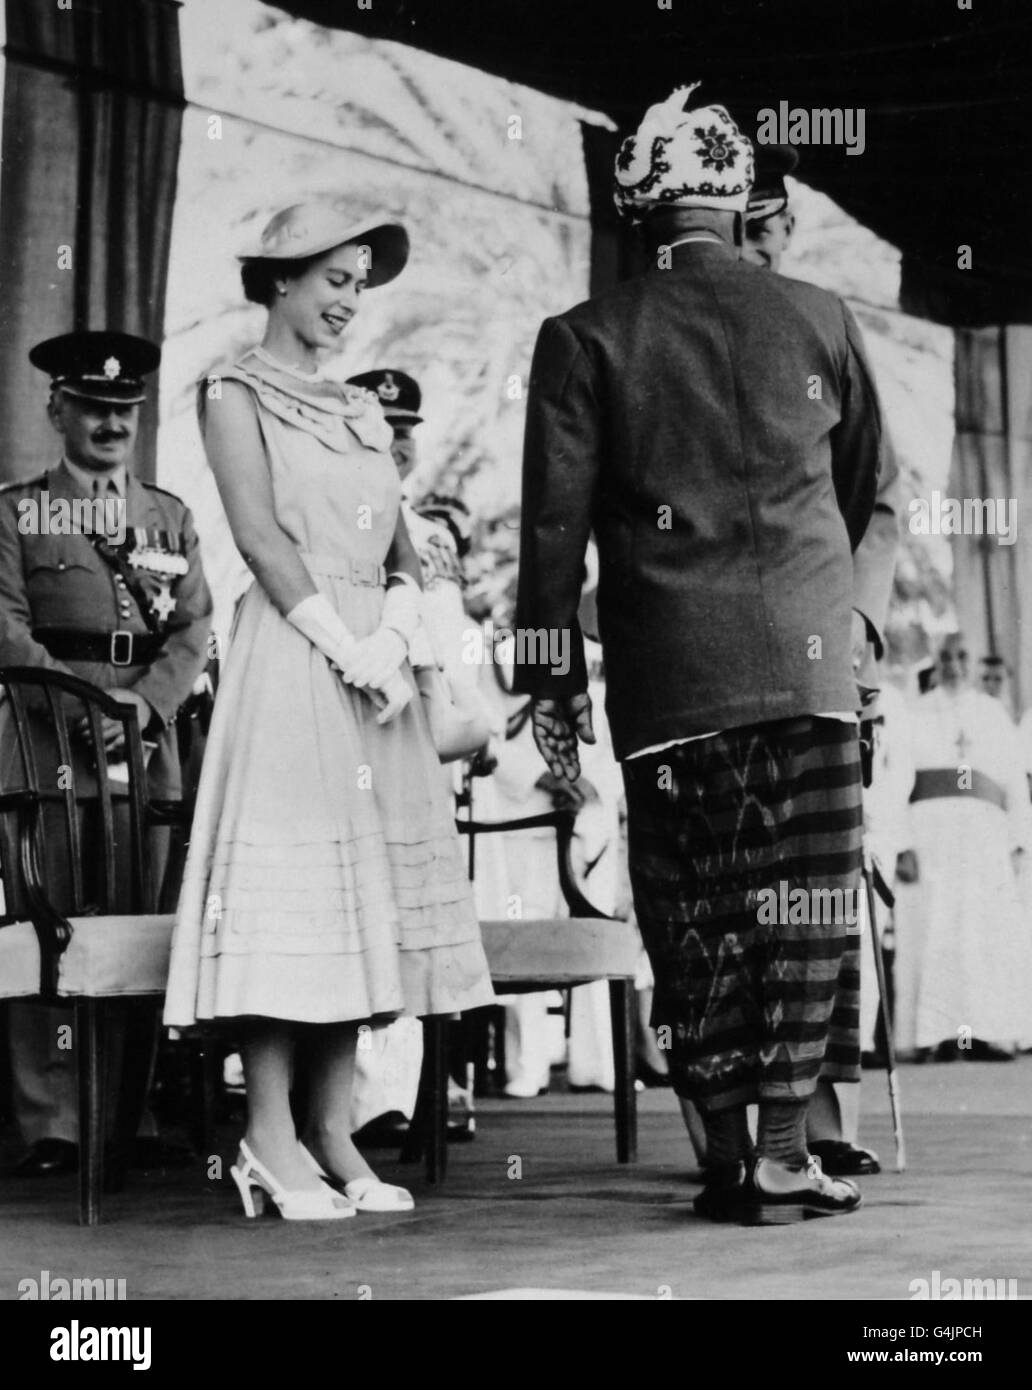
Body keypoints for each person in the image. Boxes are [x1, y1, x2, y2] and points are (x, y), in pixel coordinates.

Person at [515, 85, 883, 1224]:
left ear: (635, 211)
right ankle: (787, 1149)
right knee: (808, 909)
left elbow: (551, 536)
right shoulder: (822, 316)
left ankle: (730, 1153)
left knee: (695, 915)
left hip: (676, 684)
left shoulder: (586, 337)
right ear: (738, 203)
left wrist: (550, 681)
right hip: (813, 672)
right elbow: (860, 483)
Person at [163, 202, 494, 1220]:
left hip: (375, 670)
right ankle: (266, 1135)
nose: (349, 299)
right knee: (291, 903)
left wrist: (394, 632)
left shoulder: (358, 411)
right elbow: (260, 534)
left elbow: (400, 544)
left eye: (358, 281)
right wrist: (345, 644)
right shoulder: (231, 391)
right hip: (297, 652)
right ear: (279, 282)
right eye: (333, 279)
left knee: (365, 901)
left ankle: (332, 1126)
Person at [0, 331, 213, 1179]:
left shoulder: (168, 517)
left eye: (123, 409)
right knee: (49, 923)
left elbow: (194, 625)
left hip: (145, 745)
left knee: (138, 920)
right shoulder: (15, 512)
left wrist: (145, 705)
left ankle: (131, 1112)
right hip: (44, 739)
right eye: (91, 406)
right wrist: (85, 710)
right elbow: (5, 627)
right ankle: (53, 1119)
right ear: (57, 410)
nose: (110, 422)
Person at [746, 143, 902, 1179]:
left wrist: (860, 631)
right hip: (711, 665)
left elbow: (877, 495)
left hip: (817, 660)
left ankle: (824, 1114)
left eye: (773, 228)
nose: (762, 249)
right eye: (742, 229)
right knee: (735, 899)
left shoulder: (822, 332)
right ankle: (750, 1126)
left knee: (821, 892)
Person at [894, 633, 1032, 1061]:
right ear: (936, 661)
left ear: (972, 664)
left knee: (982, 935)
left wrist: (1019, 841)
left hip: (983, 842)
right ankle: (932, 1036)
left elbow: (1013, 784)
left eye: (962, 656)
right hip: (930, 837)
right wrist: (903, 844)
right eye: (947, 656)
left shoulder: (992, 713)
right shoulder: (914, 714)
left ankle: (986, 1033)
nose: (954, 664)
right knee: (932, 933)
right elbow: (898, 785)